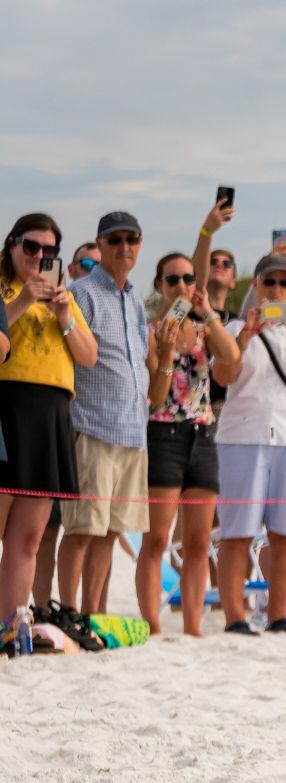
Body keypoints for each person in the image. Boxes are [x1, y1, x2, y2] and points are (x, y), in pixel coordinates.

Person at [213, 254, 286, 635]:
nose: (277, 290)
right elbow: (224, 374)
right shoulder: (233, 328)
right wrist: (247, 332)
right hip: (243, 436)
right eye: (270, 283)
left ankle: (279, 615)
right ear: (256, 286)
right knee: (237, 532)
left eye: (284, 284)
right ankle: (234, 617)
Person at [0, 214, 99, 653]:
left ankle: (8, 627)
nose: (40, 257)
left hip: (52, 414)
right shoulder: (4, 288)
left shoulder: (65, 296)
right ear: (12, 244)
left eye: (49, 252)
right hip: (9, 407)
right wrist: (22, 301)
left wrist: (64, 314)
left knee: (28, 539)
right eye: (31, 247)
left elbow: (89, 356)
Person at [136, 250, 238, 635]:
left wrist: (208, 312)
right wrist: (164, 354)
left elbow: (232, 357)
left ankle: (193, 626)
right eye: (173, 279)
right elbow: (157, 396)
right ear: (160, 285)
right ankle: (152, 625)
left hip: (203, 433)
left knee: (197, 541)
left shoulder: (204, 329)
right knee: (158, 537)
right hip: (164, 434)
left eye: (188, 279)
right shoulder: (150, 331)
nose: (182, 286)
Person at [63, 212, 152, 617]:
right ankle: (68, 613)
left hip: (133, 433)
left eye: (131, 239)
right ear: (100, 245)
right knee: (82, 529)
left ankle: (92, 614)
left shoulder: (135, 300)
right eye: (115, 240)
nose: (124, 247)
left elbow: (139, 365)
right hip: (93, 427)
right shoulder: (82, 292)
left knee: (111, 530)